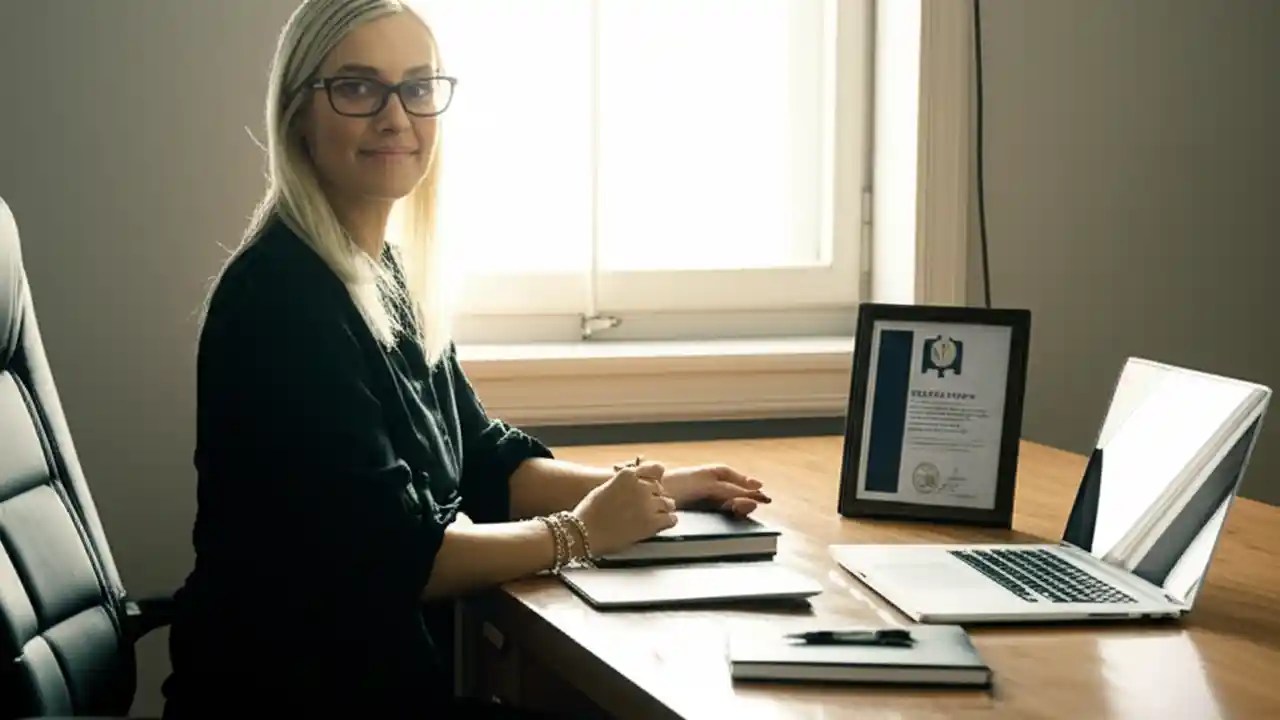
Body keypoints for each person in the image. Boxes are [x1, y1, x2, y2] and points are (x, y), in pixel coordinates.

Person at [160, 1, 771, 717]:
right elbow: (400, 558)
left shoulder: (377, 270)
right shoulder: (282, 301)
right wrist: (580, 533)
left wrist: (656, 486)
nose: (397, 117)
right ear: (299, 112)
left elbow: (486, 462)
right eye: (358, 88)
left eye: (418, 88)